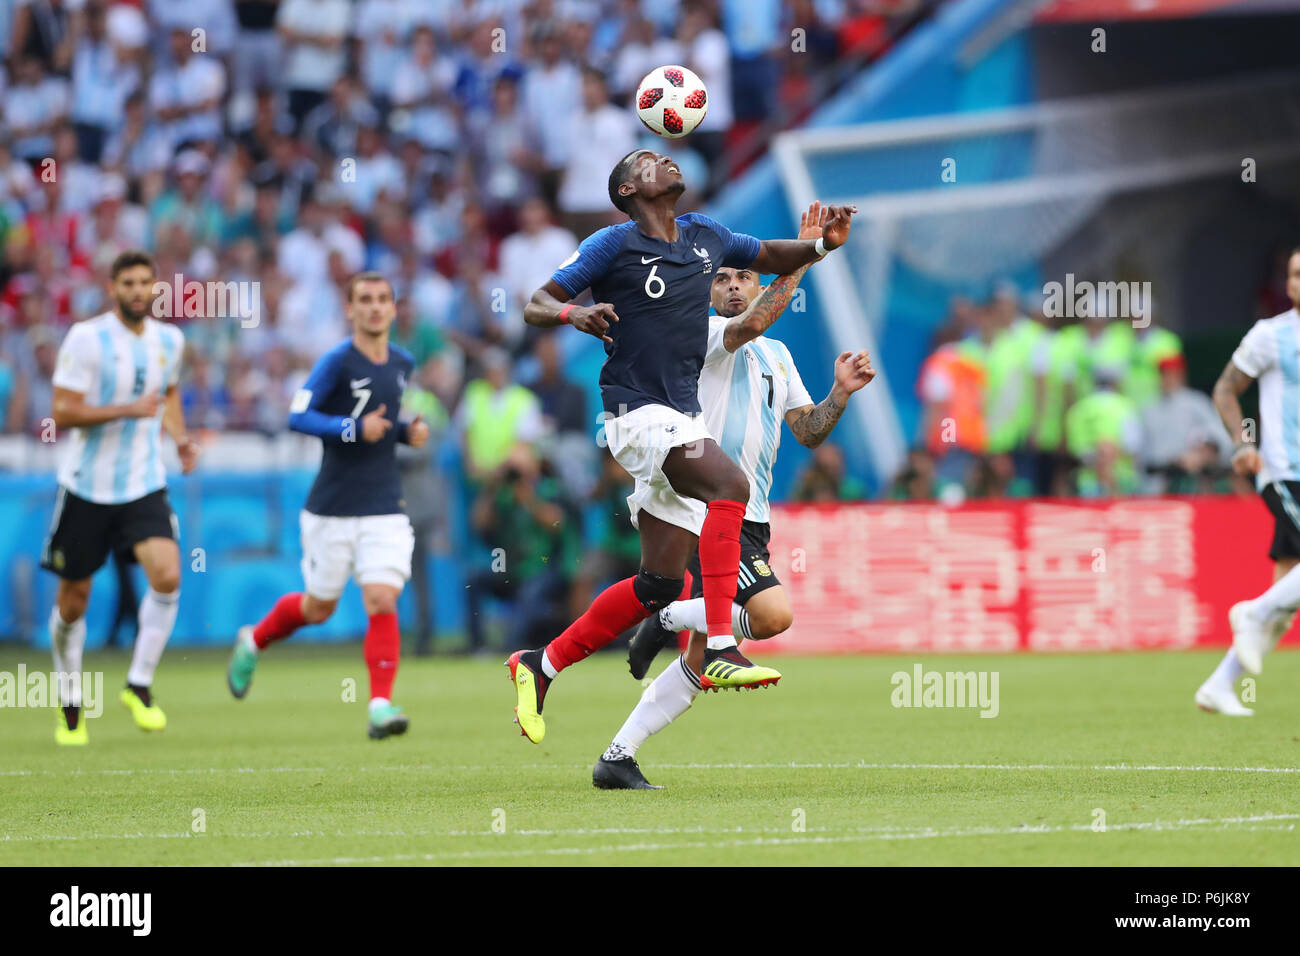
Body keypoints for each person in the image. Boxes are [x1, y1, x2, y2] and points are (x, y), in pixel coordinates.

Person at [508, 145, 857, 745]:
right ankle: (720, 642)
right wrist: (573, 314)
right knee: (730, 486)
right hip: (635, 411)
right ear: (626, 190)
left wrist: (822, 245)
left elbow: (773, 253)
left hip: (679, 424)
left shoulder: (705, 234)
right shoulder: (610, 244)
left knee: (659, 584)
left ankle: (541, 665)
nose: (664, 162)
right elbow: (535, 302)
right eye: (646, 161)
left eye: (666, 157)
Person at [596, 202, 877, 789]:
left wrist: (840, 394)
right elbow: (750, 324)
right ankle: (667, 611)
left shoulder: (777, 356)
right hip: (703, 505)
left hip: (752, 514)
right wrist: (805, 255)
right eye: (719, 277)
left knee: (701, 661)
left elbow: (806, 429)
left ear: (754, 281)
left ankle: (617, 757)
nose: (730, 287)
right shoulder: (699, 335)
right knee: (772, 615)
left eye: (741, 276)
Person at [225, 272, 431, 739]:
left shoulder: (402, 362)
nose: (375, 308)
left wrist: (404, 433)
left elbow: (381, 421)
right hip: (332, 507)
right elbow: (298, 416)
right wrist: (353, 429)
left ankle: (380, 705)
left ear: (394, 309)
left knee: (381, 597)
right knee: (318, 608)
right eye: (366, 300)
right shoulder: (336, 362)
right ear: (350, 309)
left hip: (384, 505)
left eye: (383, 299)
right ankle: (252, 641)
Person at [42, 249, 199, 746]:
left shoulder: (169, 341)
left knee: (169, 574)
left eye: (144, 282)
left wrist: (179, 437)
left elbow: (168, 393)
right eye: (127, 282)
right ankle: (70, 699)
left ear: (155, 288)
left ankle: (138, 683)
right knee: (74, 601)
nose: (137, 290)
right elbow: (62, 413)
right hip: (87, 487)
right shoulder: (86, 339)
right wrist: (125, 409)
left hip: (142, 483)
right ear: (112, 288)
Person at [1195, 247, 1300, 715]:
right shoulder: (1271, 335)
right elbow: (1225, 388)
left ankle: (1220, 683)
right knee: (1274, 605)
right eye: (1295, 274)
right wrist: (1242, 444)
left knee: (1284, 597)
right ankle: (1253, 612)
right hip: (1284, 472)